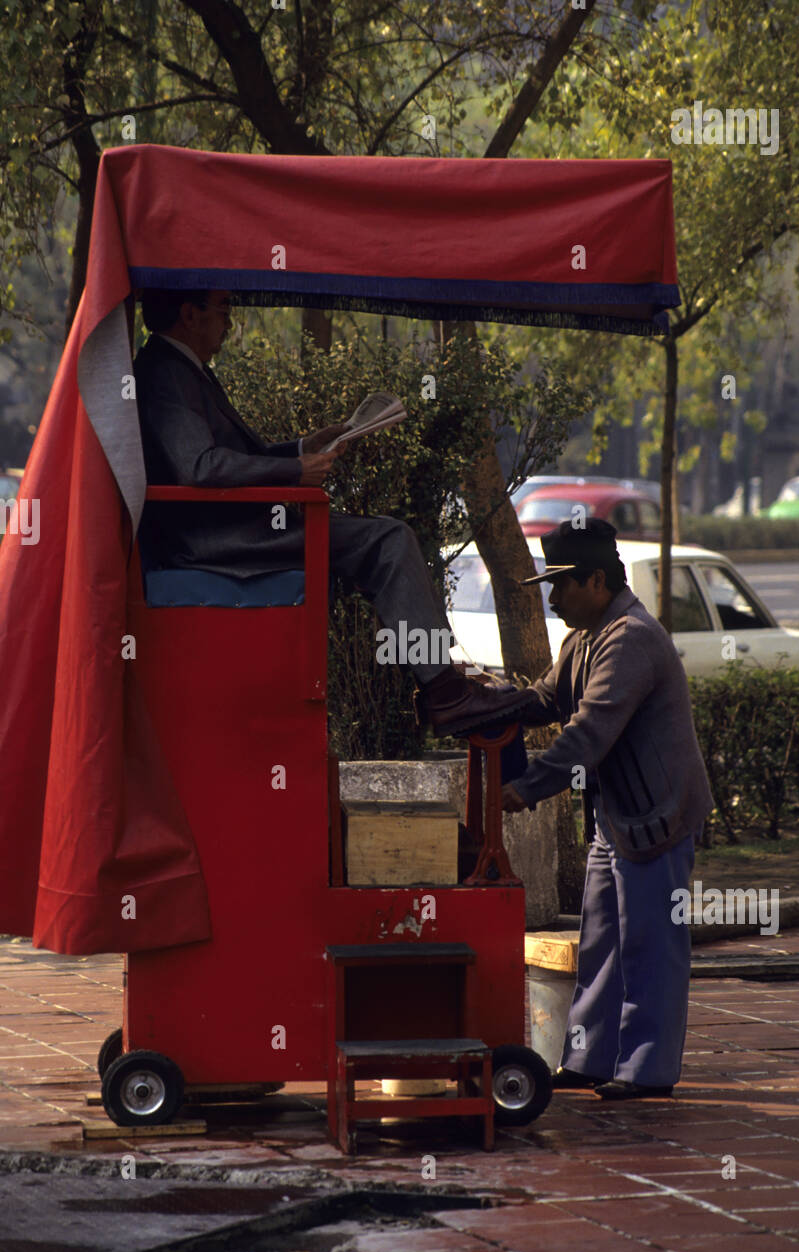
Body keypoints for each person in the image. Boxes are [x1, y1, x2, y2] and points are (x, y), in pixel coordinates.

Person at [133, 287, 533, 736]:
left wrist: (305, 447)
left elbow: (235, 457)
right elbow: (201, 466)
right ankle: (445, 692)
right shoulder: (167, 373)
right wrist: (295, 471)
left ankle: (438, 683)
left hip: (231, 524)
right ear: (190, 314)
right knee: (389, 540)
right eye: (225, 310)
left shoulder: (184, 371)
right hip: (214, 538)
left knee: (382, 542)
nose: (230, 323)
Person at [501, 518, 714, 1100]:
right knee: (600, 942)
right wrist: (485, 701)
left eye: (560, 585)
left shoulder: (630, 637)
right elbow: (545, 699)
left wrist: (525, 787)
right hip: (614, 819)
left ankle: (647, 1071)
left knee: (650, 946)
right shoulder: (585, 637)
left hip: (657, 819)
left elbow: (588, 732)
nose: (552, 598)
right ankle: (591, 1059)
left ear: (596, 580)